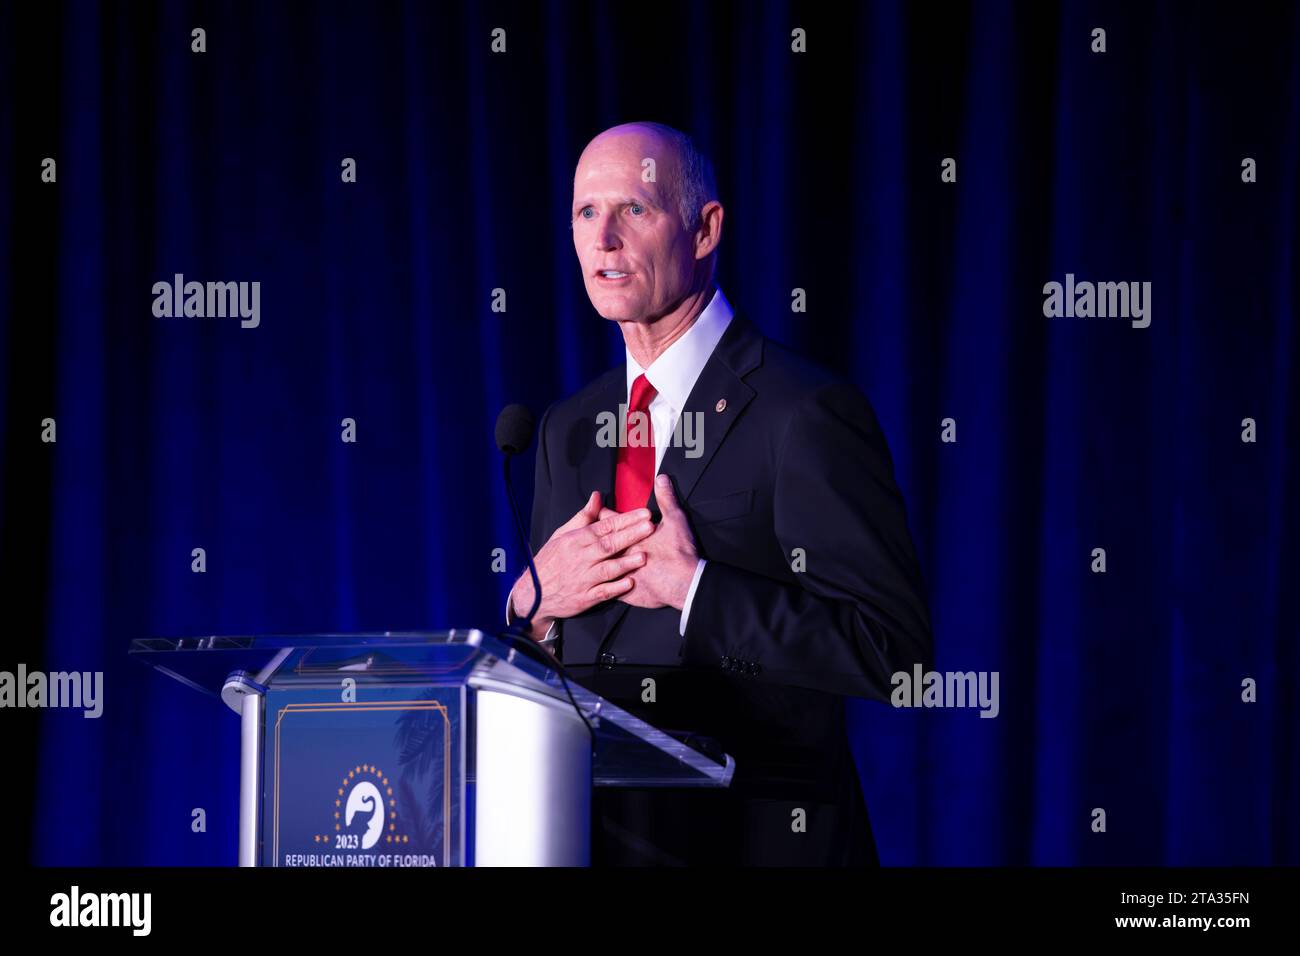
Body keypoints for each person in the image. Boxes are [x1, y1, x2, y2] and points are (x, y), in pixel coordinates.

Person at [507, 121, 933, 865]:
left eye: (633, 210)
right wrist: (531, 609)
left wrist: (697, 589)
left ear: (704, 230)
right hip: (600, 844)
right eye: (584, 213)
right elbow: (558, 672)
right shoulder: (566, 429)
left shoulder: (801, 411)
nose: (603, 239)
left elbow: (894, 656)